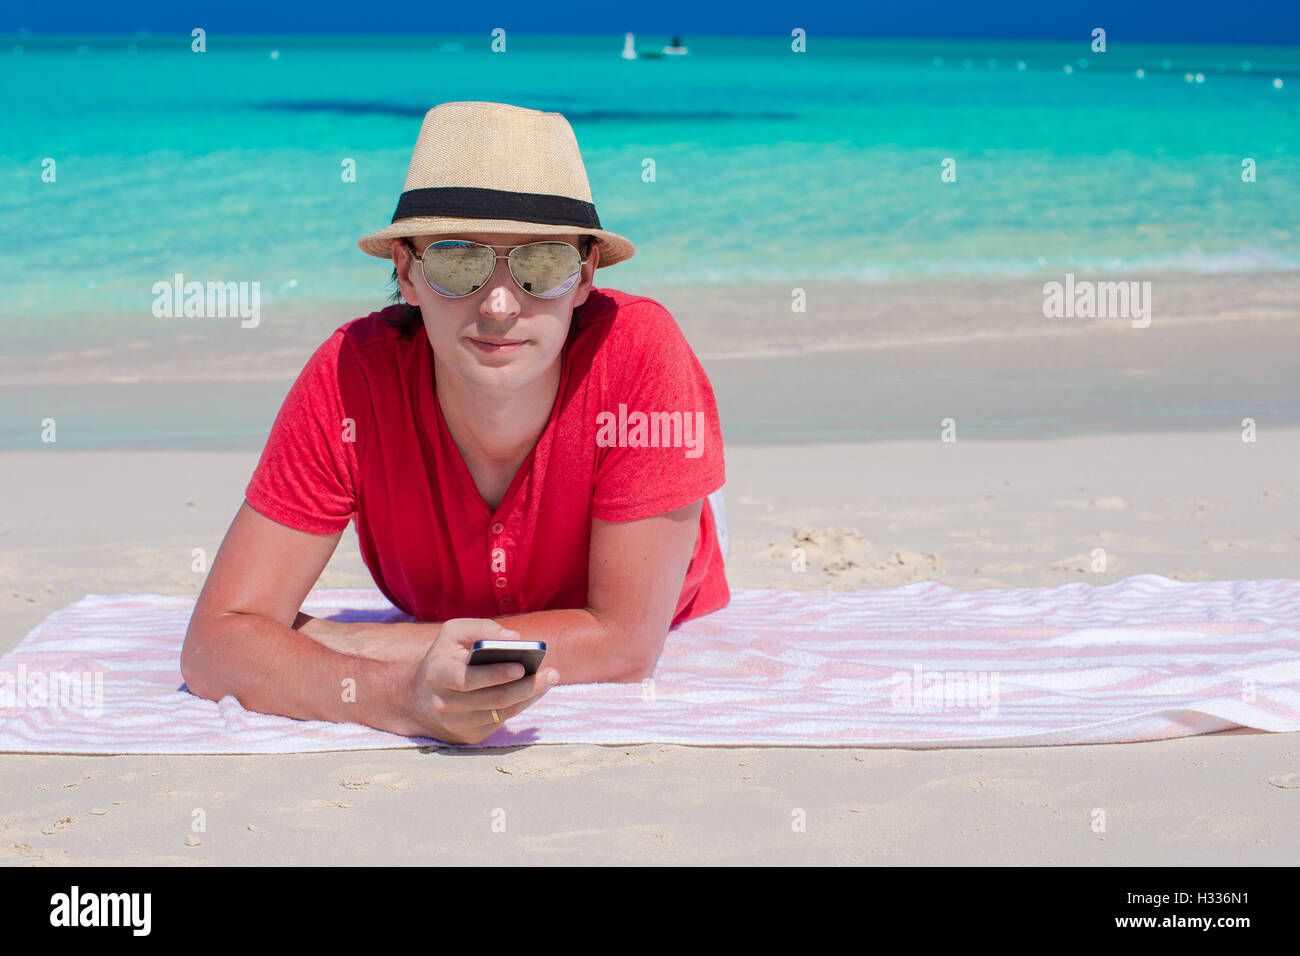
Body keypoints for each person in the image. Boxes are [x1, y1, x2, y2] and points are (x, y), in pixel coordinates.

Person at [180, 101, 730, 745]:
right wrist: (400, 698)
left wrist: (353, 640)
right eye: (458, 261)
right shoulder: (350, 379)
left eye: (543, 264)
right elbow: (214, 644)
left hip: (669, 582)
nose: (499, 304)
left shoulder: (637, 353)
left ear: (583, 276)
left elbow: (626, 645)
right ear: (407, 273)